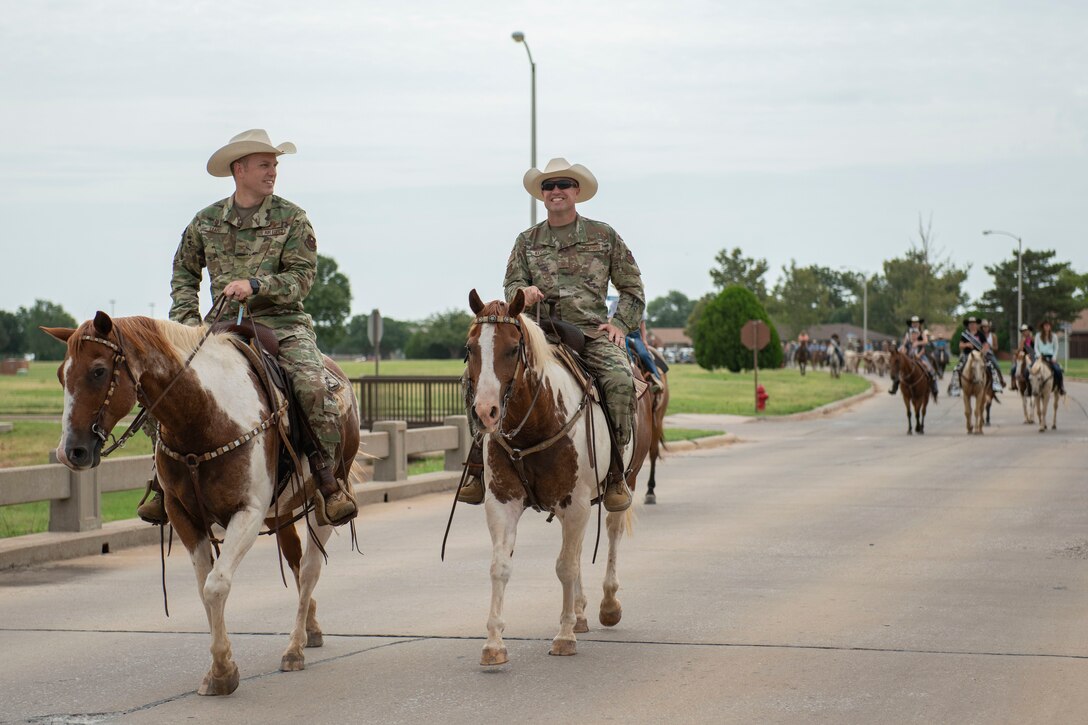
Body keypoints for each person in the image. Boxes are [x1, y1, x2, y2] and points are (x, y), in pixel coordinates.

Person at [137, 129, 357, 528]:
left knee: (311, 386)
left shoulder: (293, 219)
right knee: (163, 387)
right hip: (218, 326)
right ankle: (162, 482)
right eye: (265, 164)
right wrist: (187, 325)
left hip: (283, 325)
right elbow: (183, 274)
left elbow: (302, 279)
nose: (273, 171)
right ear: (240, 169)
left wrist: (257, 285)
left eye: (274, 165)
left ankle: (327, 479)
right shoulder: (205, 222)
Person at [458, 157, 646, 513]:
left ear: (576, 191)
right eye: (548, 186)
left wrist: (620, 324)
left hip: (589, 334)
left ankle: (617, 473)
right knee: (473, 381)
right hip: (538, 334)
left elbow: (632, 288)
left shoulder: (603, 236)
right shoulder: (526, 241)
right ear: (542, 195)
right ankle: (478, 468)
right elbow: (512, 282)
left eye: (563, 185)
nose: (555, 191)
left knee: (620, 382)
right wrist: (523, 292)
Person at [948, 316, 1003, 396]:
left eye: (974, 323)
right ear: (968, 325)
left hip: (978, 355)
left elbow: (986, 345)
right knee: (957, 368)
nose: (972, 325)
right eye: (970, 324)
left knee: (990, 366)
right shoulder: (965, 334)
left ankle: (995, 383)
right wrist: (966, 344)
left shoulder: (980, 334)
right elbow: (960, 345)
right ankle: (955, 387)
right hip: (967, 355)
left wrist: (982, 352)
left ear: (976, 325)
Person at [889, 315, 938, 398]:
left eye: (916, 323)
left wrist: (917, 343)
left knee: (930, 369)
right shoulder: (908, 333)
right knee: (899, 367)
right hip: (909, 356)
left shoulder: (922, 333)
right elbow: (904, 344)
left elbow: (925, 342)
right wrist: (903, 348)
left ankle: (934, 388)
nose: (915, 324)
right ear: (911, 324)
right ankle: (895, 386)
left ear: (919, 324)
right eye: (913, 323)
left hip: (920, 355)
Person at [1034, 319, 1066, 396]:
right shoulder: (1038, 335)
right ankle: (1030, 388)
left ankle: (1061, 387)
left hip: (1051, 357)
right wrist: (1038, 355)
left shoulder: (1054, 336)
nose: (1047, 327)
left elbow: (1056, 348)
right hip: (1040, 357)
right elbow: (1035, 347)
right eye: (1045, 325)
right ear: (1043, 326)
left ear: (1050, 327)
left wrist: (1054, 357)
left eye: (1048, 325)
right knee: (1031, 370)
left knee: (1058, 370)